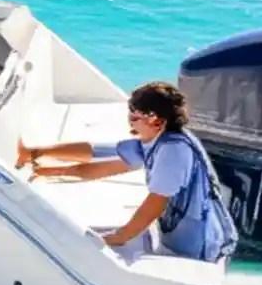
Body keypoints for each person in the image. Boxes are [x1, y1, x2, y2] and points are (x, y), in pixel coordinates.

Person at [15, 81, 238, 262]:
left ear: (157, 121)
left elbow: (156, 203)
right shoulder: (154, 140)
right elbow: (99, 158)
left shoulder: (173, 152)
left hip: (197, 246)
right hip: (176, 234)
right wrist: (39, 159)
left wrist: (120, 237)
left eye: (135, 116)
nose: (129, 119)